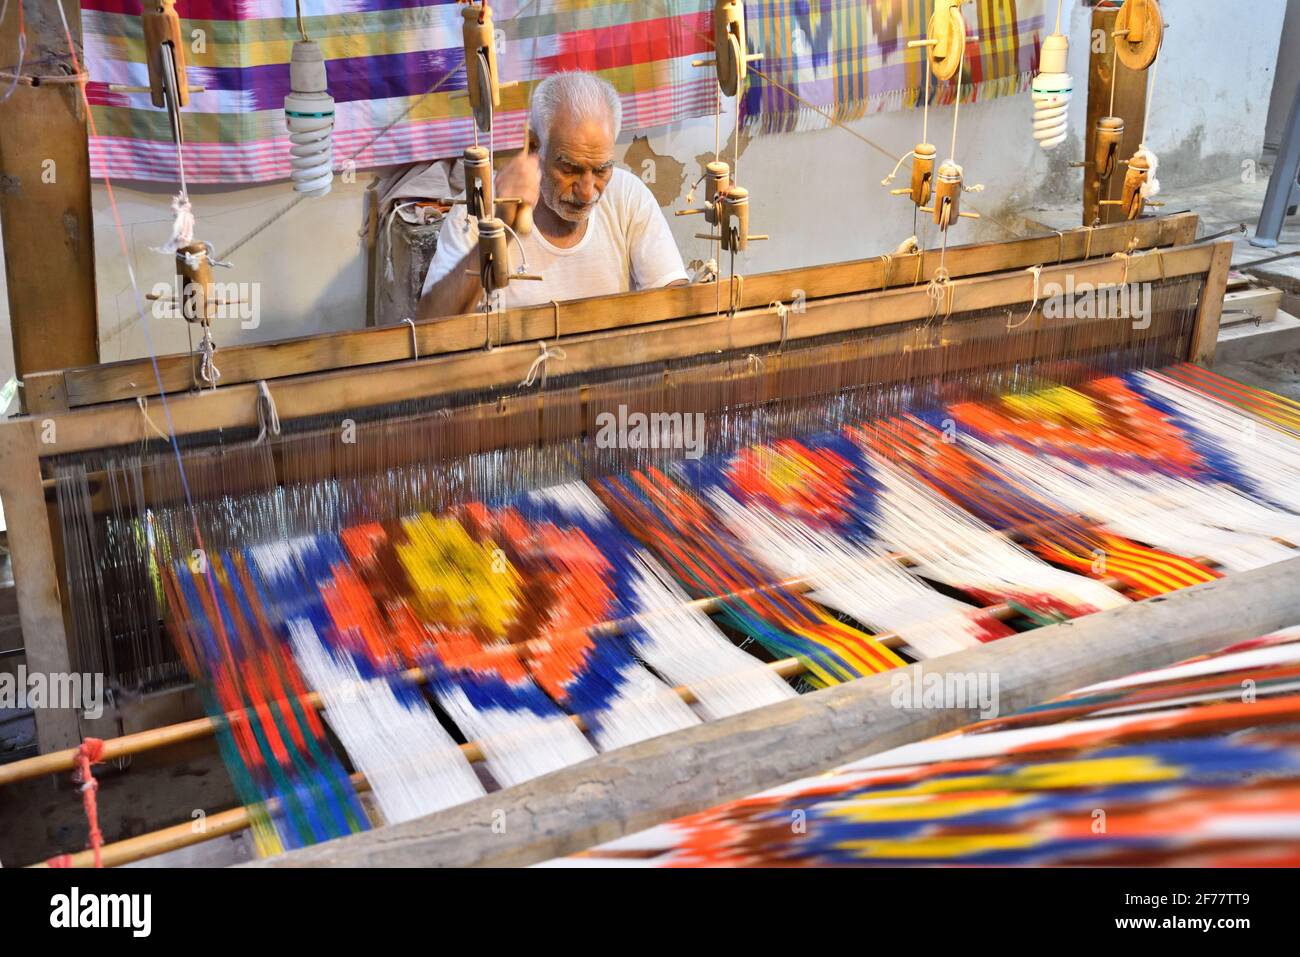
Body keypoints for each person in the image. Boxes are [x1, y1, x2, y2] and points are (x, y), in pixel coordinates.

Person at [418, 71, 688, 319]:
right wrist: (500, 227)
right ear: (533, 145)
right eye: (569, 168)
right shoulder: (478, 211)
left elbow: (675, 302)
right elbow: (430, 324)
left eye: (601, 169)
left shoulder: (628, 197)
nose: (586, 191)